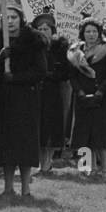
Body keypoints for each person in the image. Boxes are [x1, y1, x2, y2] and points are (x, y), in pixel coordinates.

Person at [0, 5, 47, 198]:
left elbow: (40, 71)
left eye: (14, 17)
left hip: (25, 97)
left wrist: (16, 78)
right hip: (1, 98)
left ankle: (26, 187)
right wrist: (0, 57)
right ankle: (8, 187)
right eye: (6, 17)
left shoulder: (33, 41)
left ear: (21, 19)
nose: (10, 21)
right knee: (6, 142)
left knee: (24, 142)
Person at [68, 19, 106, 174]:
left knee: (101, 132)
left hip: (101, 97)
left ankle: (104, 167)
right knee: (83, 132)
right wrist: (79, 91)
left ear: (99, 33)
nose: (91, 34)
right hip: (82, 97)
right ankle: (85, 168)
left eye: (94, 31)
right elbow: (72, 75)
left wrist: (101, 90)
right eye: (88, 31)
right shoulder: (75, 51)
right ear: (82, 33)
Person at [33, 13, 70, 175]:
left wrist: (50, 75)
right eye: (40, 29)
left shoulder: (60, 48)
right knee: (39, 128)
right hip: (36, 92)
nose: (43, 31)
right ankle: (41, 163)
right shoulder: (33, 47)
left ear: (52, 30)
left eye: (46, 28)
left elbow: (66, 72)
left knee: (51, 127)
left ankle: (47, 162)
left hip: (53, 92)